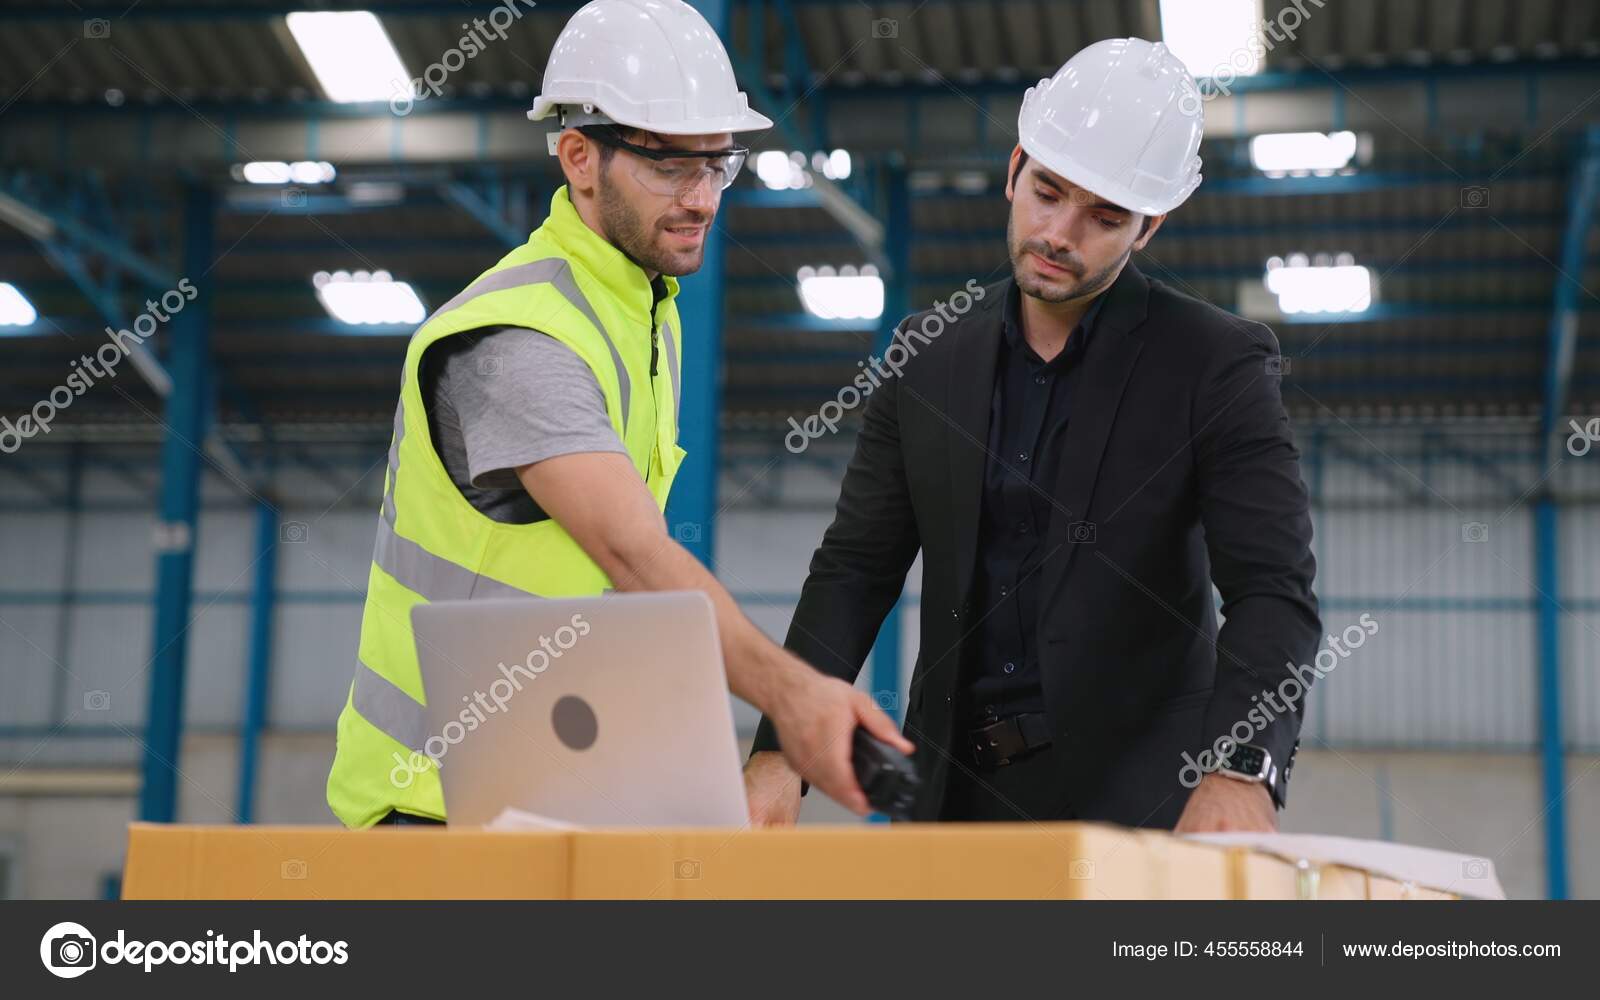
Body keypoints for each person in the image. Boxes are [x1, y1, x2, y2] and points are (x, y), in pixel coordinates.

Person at [327, 0, 910, 829]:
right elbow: (631, 554)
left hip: (543, 800)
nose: (704, 198)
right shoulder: (517, 337)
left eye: (718, 165)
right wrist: (797, 699)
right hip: (432, 815)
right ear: (579, 159)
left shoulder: (643, 312)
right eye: (671, 166)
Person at [743, 38, 1321, 832]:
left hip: (1143, 803)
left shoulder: (1214, 365)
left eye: (1104, 217)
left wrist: (1241, 770)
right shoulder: (924, 358)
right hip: (948, 797)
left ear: (1146, 229)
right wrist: (781, 752)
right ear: (1015, 167)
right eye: (1047, 193)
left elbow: (1272, 592)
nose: (1060, 233)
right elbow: (854, 569)